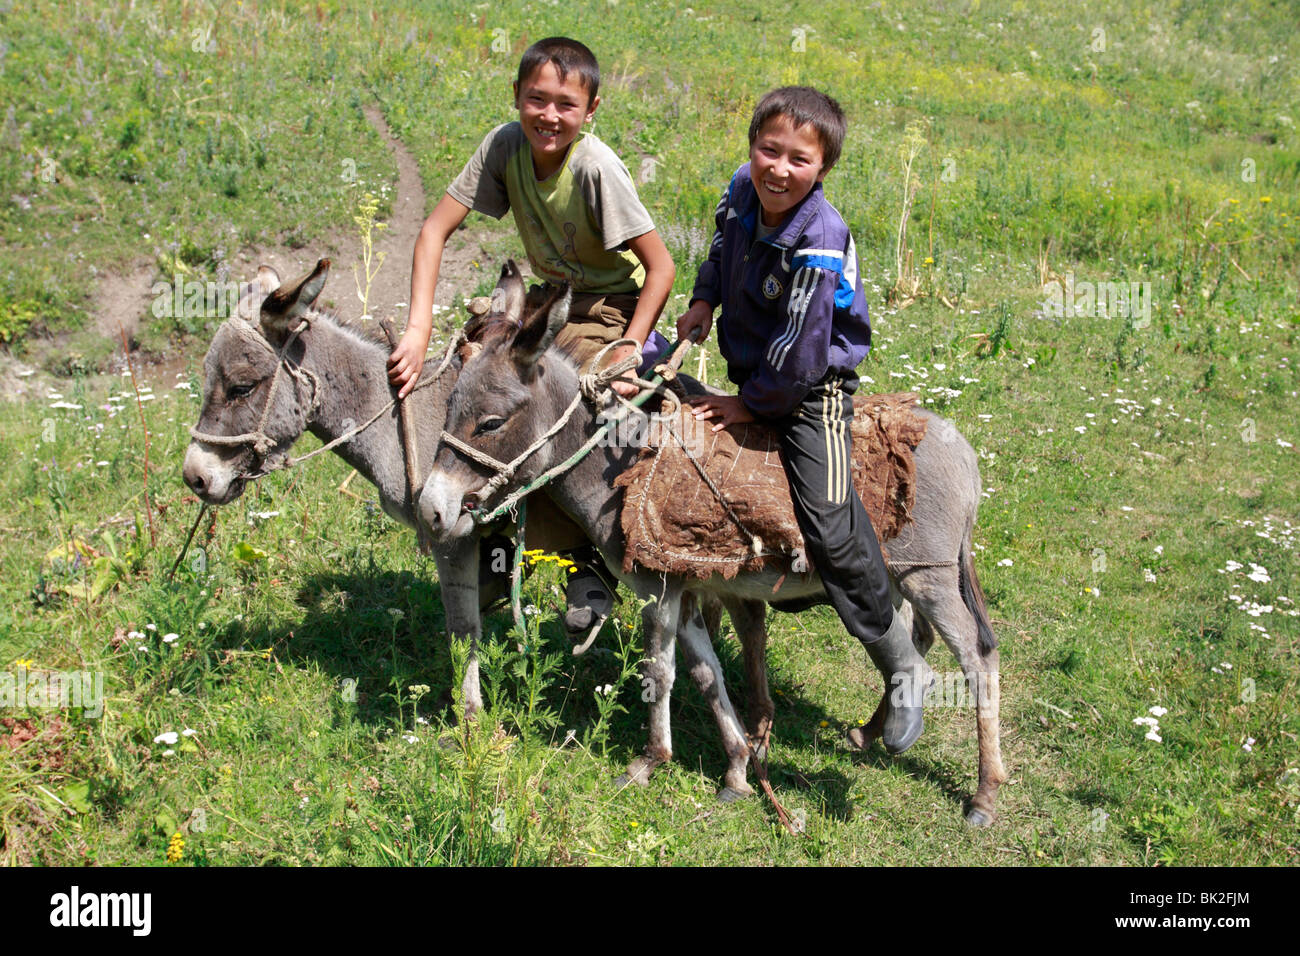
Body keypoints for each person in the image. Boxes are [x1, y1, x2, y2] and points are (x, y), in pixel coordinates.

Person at [677, 86, 933, 754]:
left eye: (799, 159)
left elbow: (803, 348)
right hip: (755, 367)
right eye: (769, 149)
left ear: (823, 169)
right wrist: (705, 298)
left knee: (829, 517)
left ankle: (902, 666)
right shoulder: (740, 190)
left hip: (810, 388)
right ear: (751, 147)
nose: (778, 169)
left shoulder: (820, 236)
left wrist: (750, 404)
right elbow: (717, 245)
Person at [391, 36, 675, 634]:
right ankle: (498, 558)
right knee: (482, 401)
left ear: (591, 110)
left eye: (566, 105)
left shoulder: (595, 168)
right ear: (516, 97)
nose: (549, 115)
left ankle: (588, 566)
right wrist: (418, 330)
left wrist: (630, 347)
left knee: (559, 417)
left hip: (609, 310)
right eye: (536, 99)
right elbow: (432, 232)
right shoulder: (503, 146)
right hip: (551, 304)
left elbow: (662, 267)